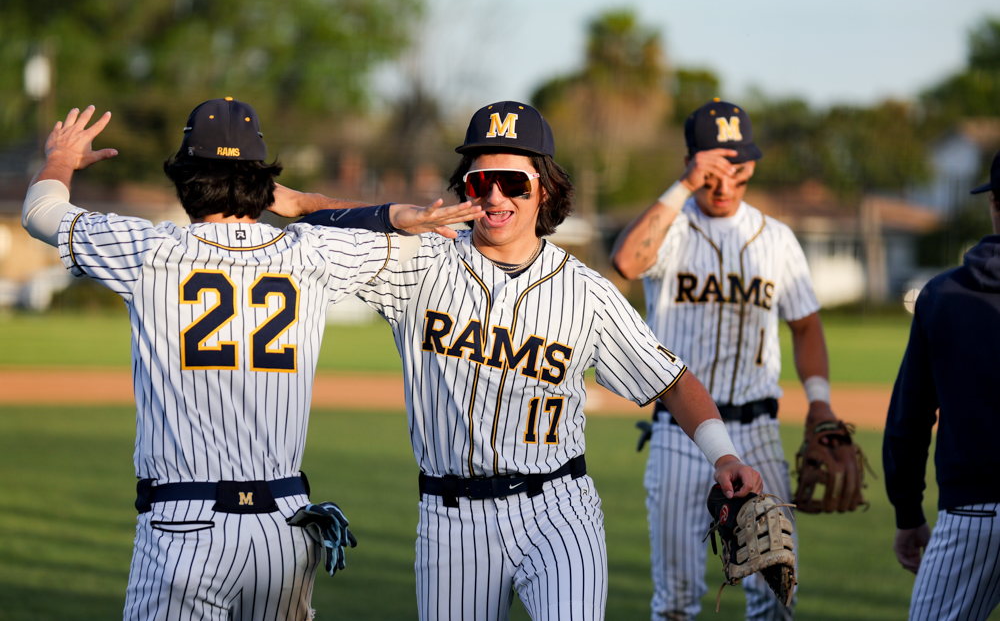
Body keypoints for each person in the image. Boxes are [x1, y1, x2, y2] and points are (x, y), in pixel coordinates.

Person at [267, 100, 764, 621]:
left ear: (543, 188)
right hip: (451, 520)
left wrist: (724, 455)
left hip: (558, 510)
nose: (496, 197)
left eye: (514, 182)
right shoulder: (418, 262)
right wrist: (301, 203)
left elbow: (671, 380)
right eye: (482, 183)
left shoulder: (585, 292)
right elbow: (321, 244)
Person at [20, 100, 482, 621]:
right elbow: (408, 231)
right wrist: (305, 203)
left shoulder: (150, 249)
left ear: (185, 177)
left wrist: (61, 157)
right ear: (265, 182)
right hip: (285, 530)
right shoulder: (310, 253)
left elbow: (40, 213)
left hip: (184, 526)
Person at [610, 98, 841, 621]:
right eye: (712, 164)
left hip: (758, 429)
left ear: (751, 163)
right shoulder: (671, 227)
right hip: (679, 432)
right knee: (674, 603)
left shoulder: (777, 239)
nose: (725, 177)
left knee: (777, 600)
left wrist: (821, 401)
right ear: (693, 161)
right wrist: (683, 187)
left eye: (736, 163)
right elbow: (626, 261)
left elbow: (805, 325)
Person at [883, 150, 1000, 621]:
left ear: (995, 204)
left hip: (969, 512)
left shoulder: (942, 294)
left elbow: (908, 419)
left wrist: (908, 513)